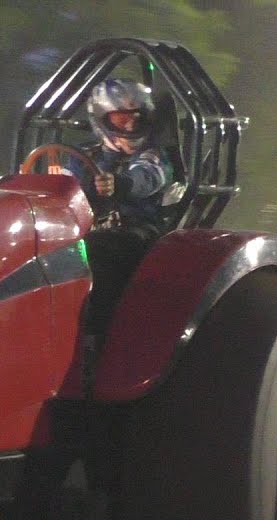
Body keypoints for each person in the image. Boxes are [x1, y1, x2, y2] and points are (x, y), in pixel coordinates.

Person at [50, 78, 175, 337]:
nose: (130, 126)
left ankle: (95, 334)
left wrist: (121, 183)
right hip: (87, 228)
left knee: (96, 253)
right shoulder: (82, 156)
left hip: (138, 232)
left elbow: (148, 177)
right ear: (101, 120)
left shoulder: (152, 156)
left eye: (137, 119)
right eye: (121, 120)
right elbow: (64, 187)